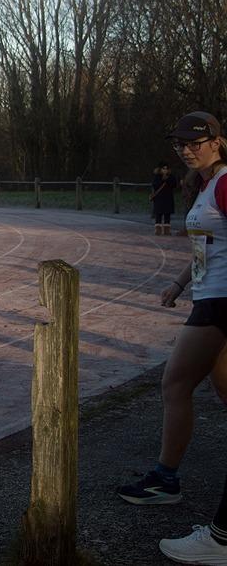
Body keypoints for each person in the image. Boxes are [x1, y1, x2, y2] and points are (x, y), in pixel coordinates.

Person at [118, 112, 227, 520]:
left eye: (194, 142)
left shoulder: (225, 183)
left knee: (174, 383)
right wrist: (180, 284)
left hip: (220, 301)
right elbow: (208, 246)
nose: (186, 150)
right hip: (208, 294)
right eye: (179, 144)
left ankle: (165, 479)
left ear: (216, 141)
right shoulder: (206, 185)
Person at [151, 161, 178, 235]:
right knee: (158, 214)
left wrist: (167, 179)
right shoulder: (157, 176)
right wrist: (162, 180)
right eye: (163, 168)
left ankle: (167, 230)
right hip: (159, 198)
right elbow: (155, 185)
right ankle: (158, 230)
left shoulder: (171, 176)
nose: (165, 170)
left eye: (166, 168)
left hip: (168, 198)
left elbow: (174, 184)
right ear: (160, 169)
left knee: (167, 214)